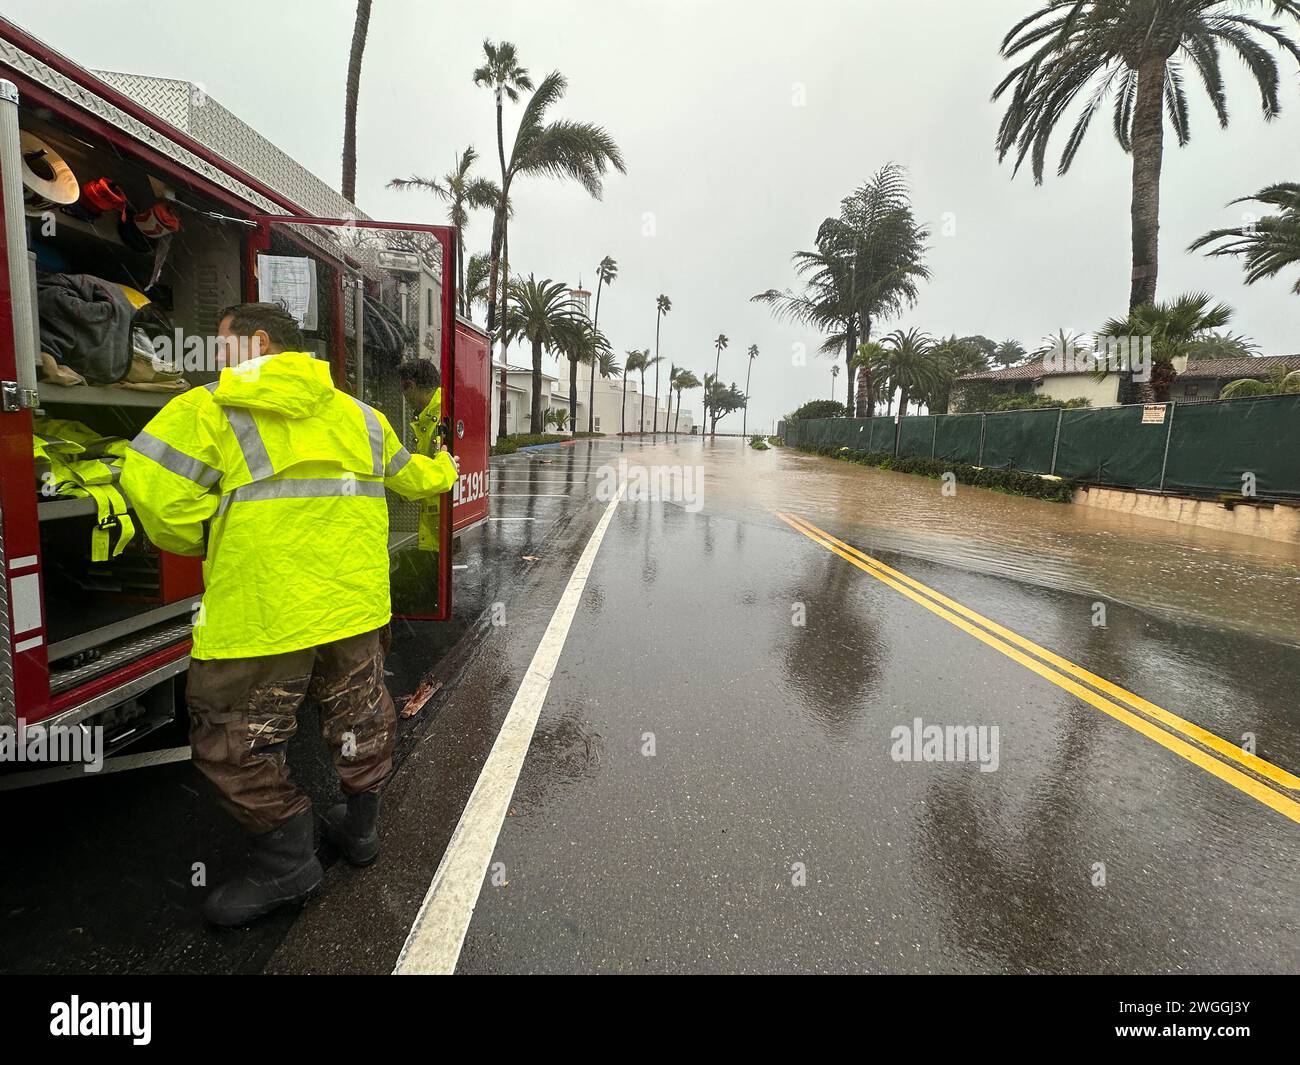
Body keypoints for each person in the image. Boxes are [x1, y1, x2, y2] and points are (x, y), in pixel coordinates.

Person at [121, 302, 459, 927]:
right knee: (358, 718)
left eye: (223, 346)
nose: (219, 361)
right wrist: (446, 466)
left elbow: (151, 491)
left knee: (234, 740)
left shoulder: (209, 408)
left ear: (254, 341)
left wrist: (205, 544)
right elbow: (416, 480)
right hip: (354, 609)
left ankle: (286, 865)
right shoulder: (360, 415)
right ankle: (358, 831)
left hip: (261, 615)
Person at [398, 358, 444, 552]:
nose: (404, 398)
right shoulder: (426, 418)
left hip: (437, 526)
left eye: (404, 390)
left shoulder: (440, 420)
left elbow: (436, 471)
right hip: (435, 523)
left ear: (411, 386)